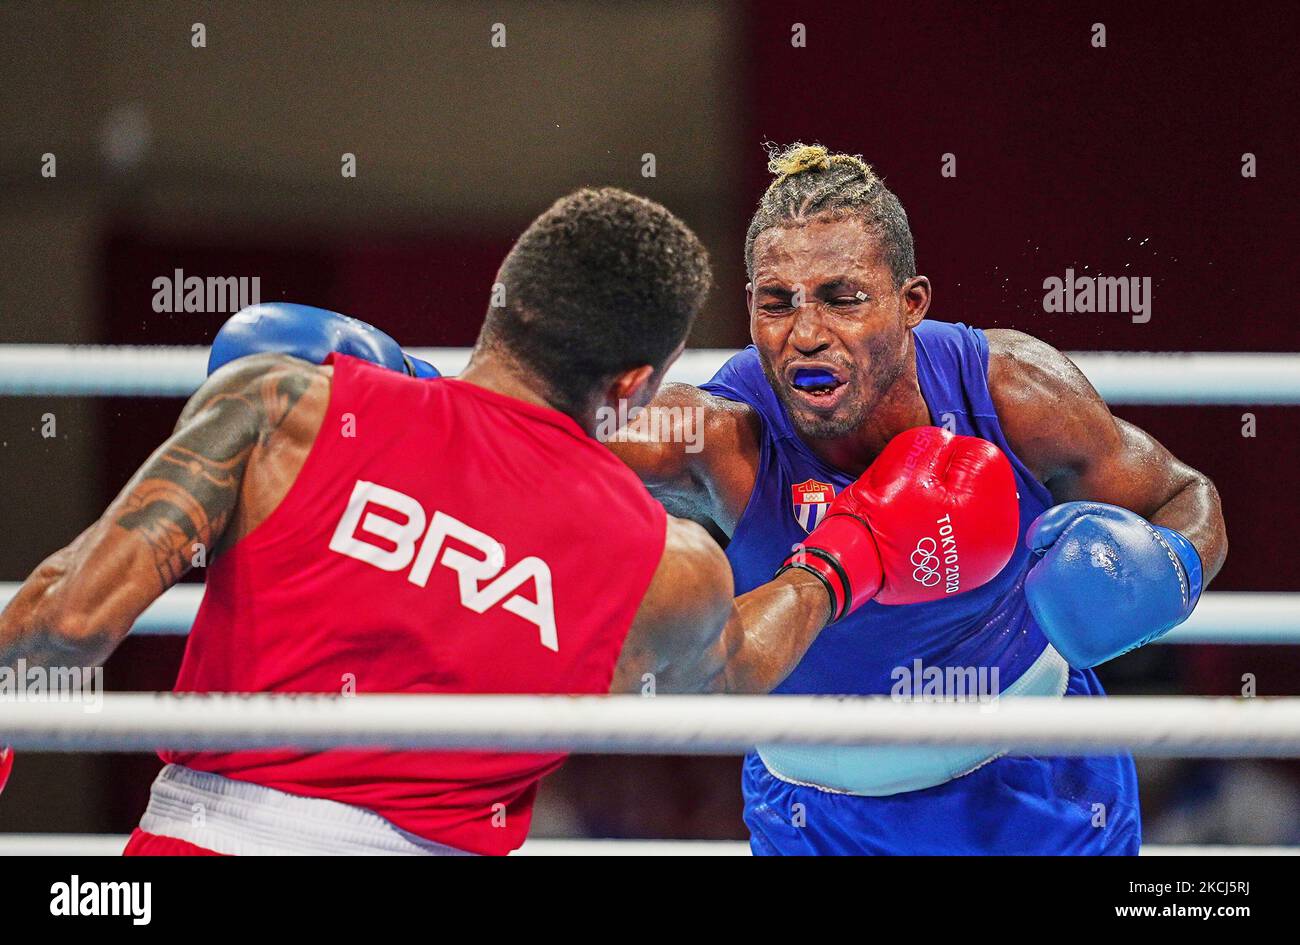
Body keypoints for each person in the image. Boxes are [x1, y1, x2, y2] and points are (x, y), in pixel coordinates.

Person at [264, 144, 1227, 855]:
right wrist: (401, 400)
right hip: (817, 817)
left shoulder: (1009, 390)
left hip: (1030, 788)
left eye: (842, 296)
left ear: (912, 301)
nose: (805, 331)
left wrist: (1162, 571)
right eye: (776, 301)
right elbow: (549, 429)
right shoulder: (726, 435)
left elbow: (1188, 496)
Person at [0, 186, 1019, 855]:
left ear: (498, 304)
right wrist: (847, 557)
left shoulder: (283, 406)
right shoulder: (659, 563)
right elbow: (736, 672)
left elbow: (69, 617)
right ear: (634, 385)